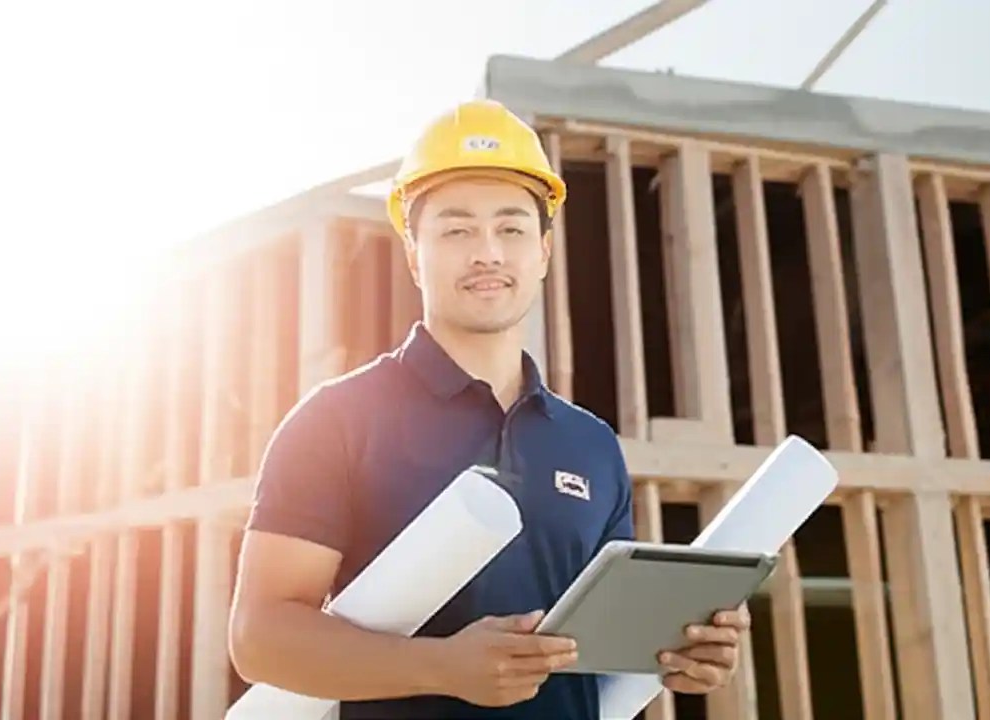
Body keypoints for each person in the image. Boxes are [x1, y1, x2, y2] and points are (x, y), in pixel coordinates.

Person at [228, 99, 750, 719]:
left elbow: (596, 654)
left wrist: (681, 654)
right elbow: (259, 638)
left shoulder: (590, 444)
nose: (488, 253)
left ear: (544, 253)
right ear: (414, 254)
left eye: (510, 229)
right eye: (456, 230)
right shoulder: (337, 420)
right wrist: (440, 667)